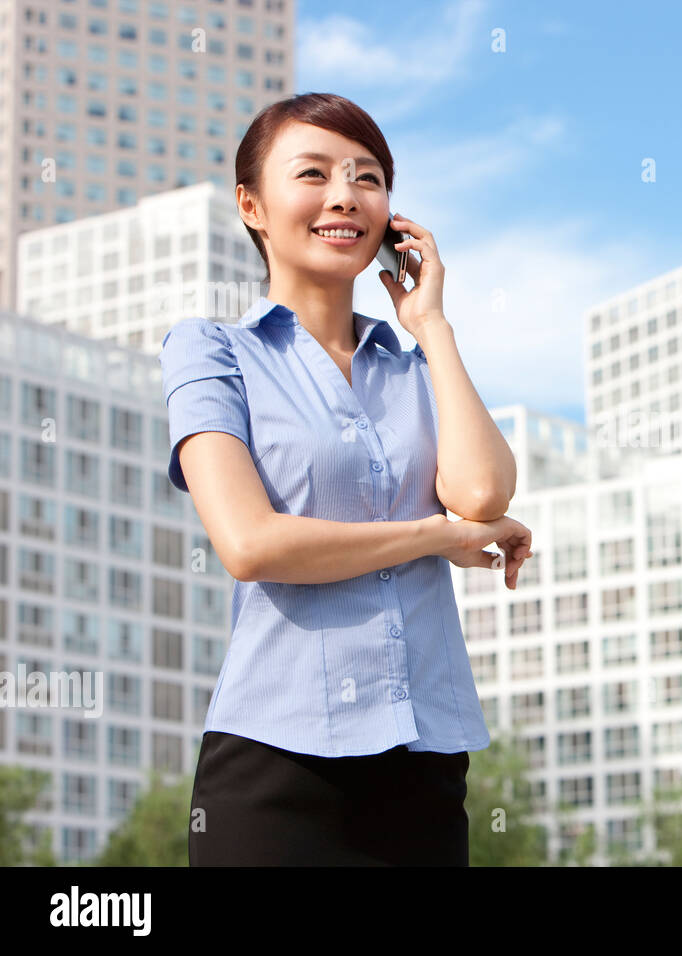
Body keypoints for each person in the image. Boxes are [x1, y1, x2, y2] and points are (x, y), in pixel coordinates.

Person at [159, 92, 532, 865]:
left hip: (425, 766)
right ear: (252, 206)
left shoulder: (418, 368)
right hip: (276, 767)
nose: (345, 195)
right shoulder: (211, 353)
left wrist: (430, 323)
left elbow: (483, 496)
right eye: (314, 174)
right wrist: (432, 537)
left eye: (368, 177)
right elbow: (251, 544)